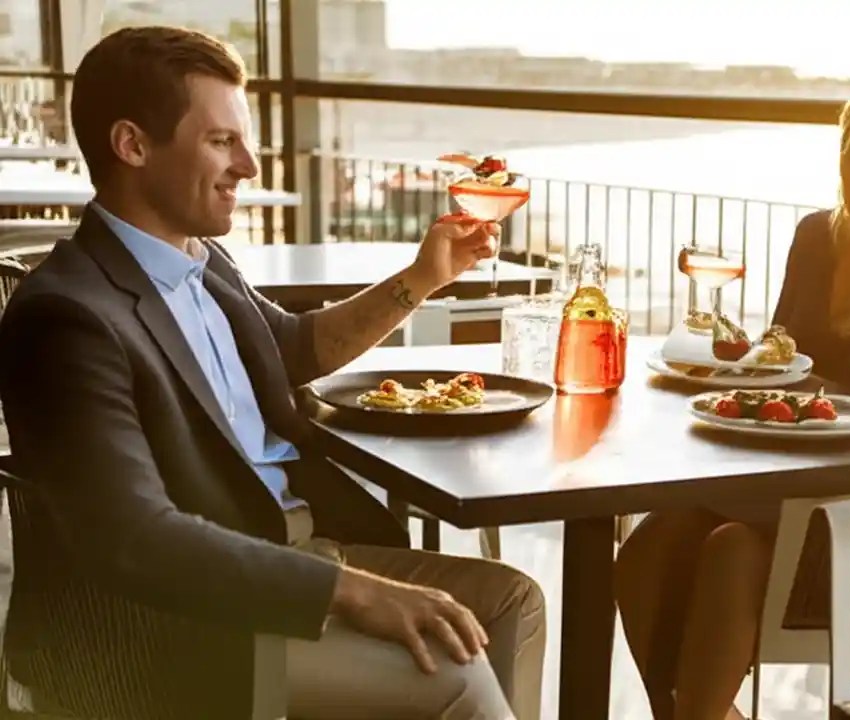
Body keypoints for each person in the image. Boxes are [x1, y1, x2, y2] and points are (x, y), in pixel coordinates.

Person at [0, 26, 544, 720]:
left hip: (298, 548)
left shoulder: (198, 261)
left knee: (510, 604)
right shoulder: (67, 317)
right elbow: (133, 539)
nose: (250, 166)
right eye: (221, 141)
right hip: (192, 620)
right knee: (459, 677)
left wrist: (423, 278)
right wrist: (348, 591)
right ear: (133, 145)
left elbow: (289, 348)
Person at [614, 75, 850, 720]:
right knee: (647, 548)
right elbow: (784, 368)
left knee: (731, 551)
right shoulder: (817, 237)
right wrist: (739, 375)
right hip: (784, 483)